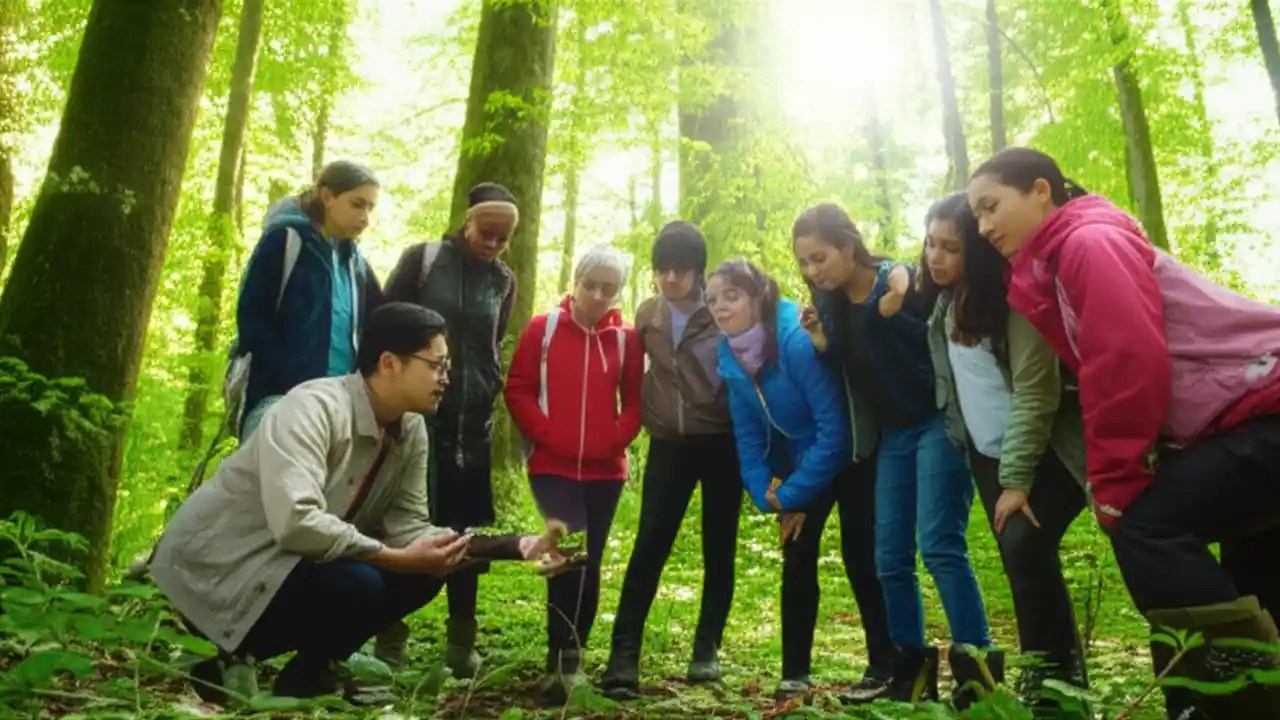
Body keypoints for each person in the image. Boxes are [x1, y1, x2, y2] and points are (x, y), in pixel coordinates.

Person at [967, 146, 1280, 718]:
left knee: (1143, 523)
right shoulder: (1067, 257)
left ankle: (1237, 696)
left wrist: (1113, 483)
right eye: (977, 216)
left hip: (1266, 409)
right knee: (1245, 550)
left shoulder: (1089, 244)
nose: (984, 226)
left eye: (991, 207)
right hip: (1248, 416)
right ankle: (1228, 693)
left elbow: (1126, 362)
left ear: (1042, 190)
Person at [150, 303, 569, 702]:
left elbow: (411, 528)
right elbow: (296, 521)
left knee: (426, 571)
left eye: (448, 367)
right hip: (220, 571)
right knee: (362, 582)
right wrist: (392, 557)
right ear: (389, 363)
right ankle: (219, 652)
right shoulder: (313, 409)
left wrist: (518, 546)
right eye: (436, 365)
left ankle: (310, 672)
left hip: (286, 563)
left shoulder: (410, 430)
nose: (446, 378)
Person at [792, 204, 992, 705]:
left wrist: (896, 291)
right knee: (889, 557)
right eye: (805, 264)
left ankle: (978, 676)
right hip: (893, 436)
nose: (813, 271)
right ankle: (909, 675)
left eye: (820, 258)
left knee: (940, 544)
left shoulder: (900, 280)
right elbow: (851, 359)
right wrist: (819, 338)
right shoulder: (829, 299)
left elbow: (940, 324)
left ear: (848, 244)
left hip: (936, 421)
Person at [918, 191, 1089, 711]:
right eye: (929, 243)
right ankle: (1051, 679)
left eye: (950, 246)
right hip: (986, 454)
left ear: (976, 249)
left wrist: (1017, 478)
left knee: (1025, 545)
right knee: (1023, 559)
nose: (935, 256)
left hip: (1043, 451)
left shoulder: (1014, 302)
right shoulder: (944, 301)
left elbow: (1038, 391)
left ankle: (1057, 684)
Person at [706, 258, 892, 701]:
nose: (720, 307)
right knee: (797, 547)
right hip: (805, 461)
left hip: (852, 454)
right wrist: (769, 498)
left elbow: (835, 428)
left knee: (861, 553)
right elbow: (748, 436)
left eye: (731, 296)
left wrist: (792, 492)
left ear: (758, 297)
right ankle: (795, 674)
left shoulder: (793, 339)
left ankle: (886, 666)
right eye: (712, 300)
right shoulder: (730, 356)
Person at [601, 222, 744, 699]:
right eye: (661, 270)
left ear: (698, 271)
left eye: (678, 272)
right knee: (650, 545)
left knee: (718, 548)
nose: (668, 280)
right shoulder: (649, 315)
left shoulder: (724, 311)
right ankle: (623, 656)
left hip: (722, 443)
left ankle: (706, 651)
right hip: (668, 444)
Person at [381, 182, 518, 675]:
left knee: (465, 533)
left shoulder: (503, 280)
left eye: (503, 238)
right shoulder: (423, 260)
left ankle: (462, 644)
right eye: (487, 232)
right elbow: (384, 323)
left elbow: (491, 343)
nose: (493, 243)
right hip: (416, 419)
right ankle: (389, 638)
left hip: (472, 424)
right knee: (404, 524)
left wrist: (488, 389)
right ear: (469, 221)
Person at [505, 245, 644, 704]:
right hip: (552, 466)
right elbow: (519, 389)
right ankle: (558, 661)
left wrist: (615, 438)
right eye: (591, 285)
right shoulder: (542, 330)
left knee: (591, 563)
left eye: (609, 288)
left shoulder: (625, 339)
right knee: (567, 557)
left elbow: (637, 403)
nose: (599, 295)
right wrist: (547, 433)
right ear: (575, 283)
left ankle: (574, 660)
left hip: (606, 471)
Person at [236, 160, 384, 438]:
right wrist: (286, 381)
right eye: (357, 204)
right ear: (328, 197)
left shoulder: (355, 262)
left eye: (370, 208)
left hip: (336, 407)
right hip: (280, 402)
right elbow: (252, 316)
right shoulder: (286, 241)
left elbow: (383, 317)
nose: (365, 217)